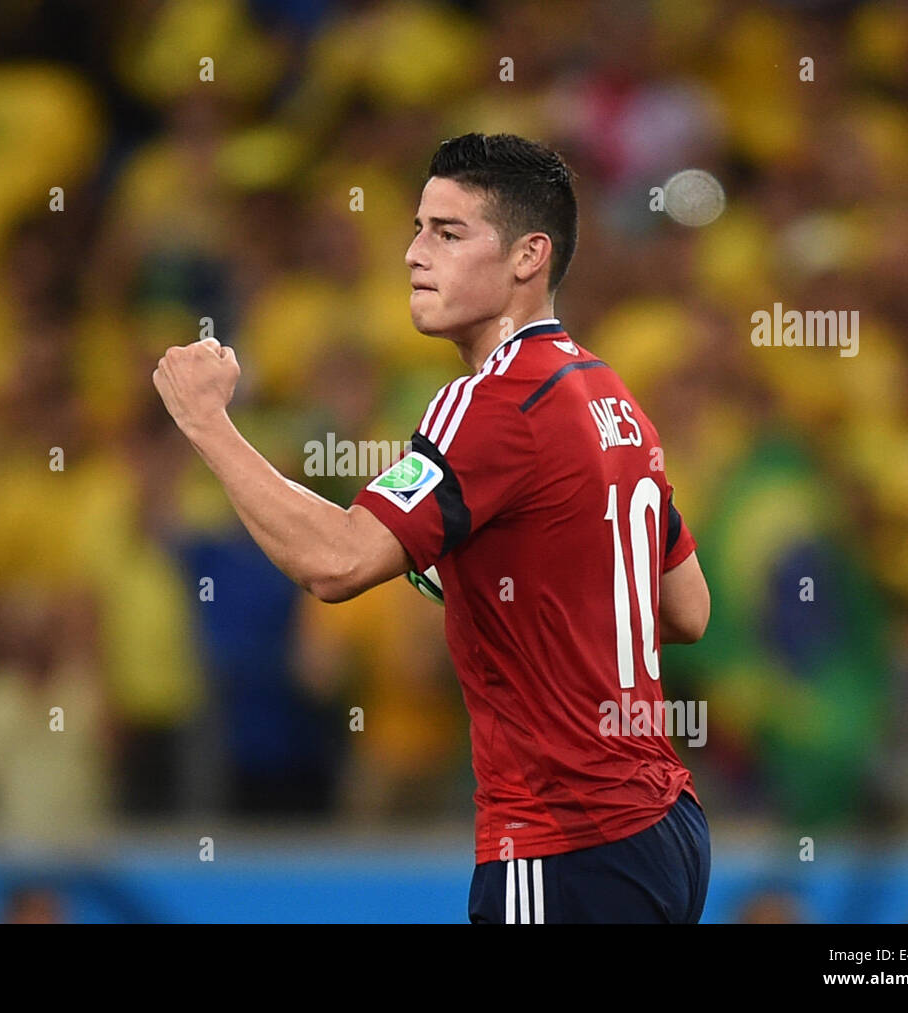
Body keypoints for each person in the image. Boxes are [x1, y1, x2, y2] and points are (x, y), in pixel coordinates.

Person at [152, 132, 711, 923]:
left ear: (529, 256)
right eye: (418, 229)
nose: (415, 254)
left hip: (562, 838)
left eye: (448, 233)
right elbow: (687, 608)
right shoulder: (608, 393)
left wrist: (207, 423)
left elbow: (336, 562)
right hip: (664, 827)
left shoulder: (490, 401)